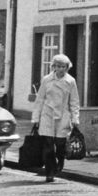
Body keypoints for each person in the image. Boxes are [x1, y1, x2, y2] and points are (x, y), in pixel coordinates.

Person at [31, 54, 81, 183]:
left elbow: (74, 101)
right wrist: (36, 118)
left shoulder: (70, 81)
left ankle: (61, 159)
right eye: (57, 66)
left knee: (60, 144)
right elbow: (40, 99)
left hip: (63, 115)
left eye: (63, 66)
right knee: (48, 145)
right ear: (53, 66)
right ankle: (50, 171)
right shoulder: (46, 80)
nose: (60, 69)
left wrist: (75, 118)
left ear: (67, 67)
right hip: (47, 115)